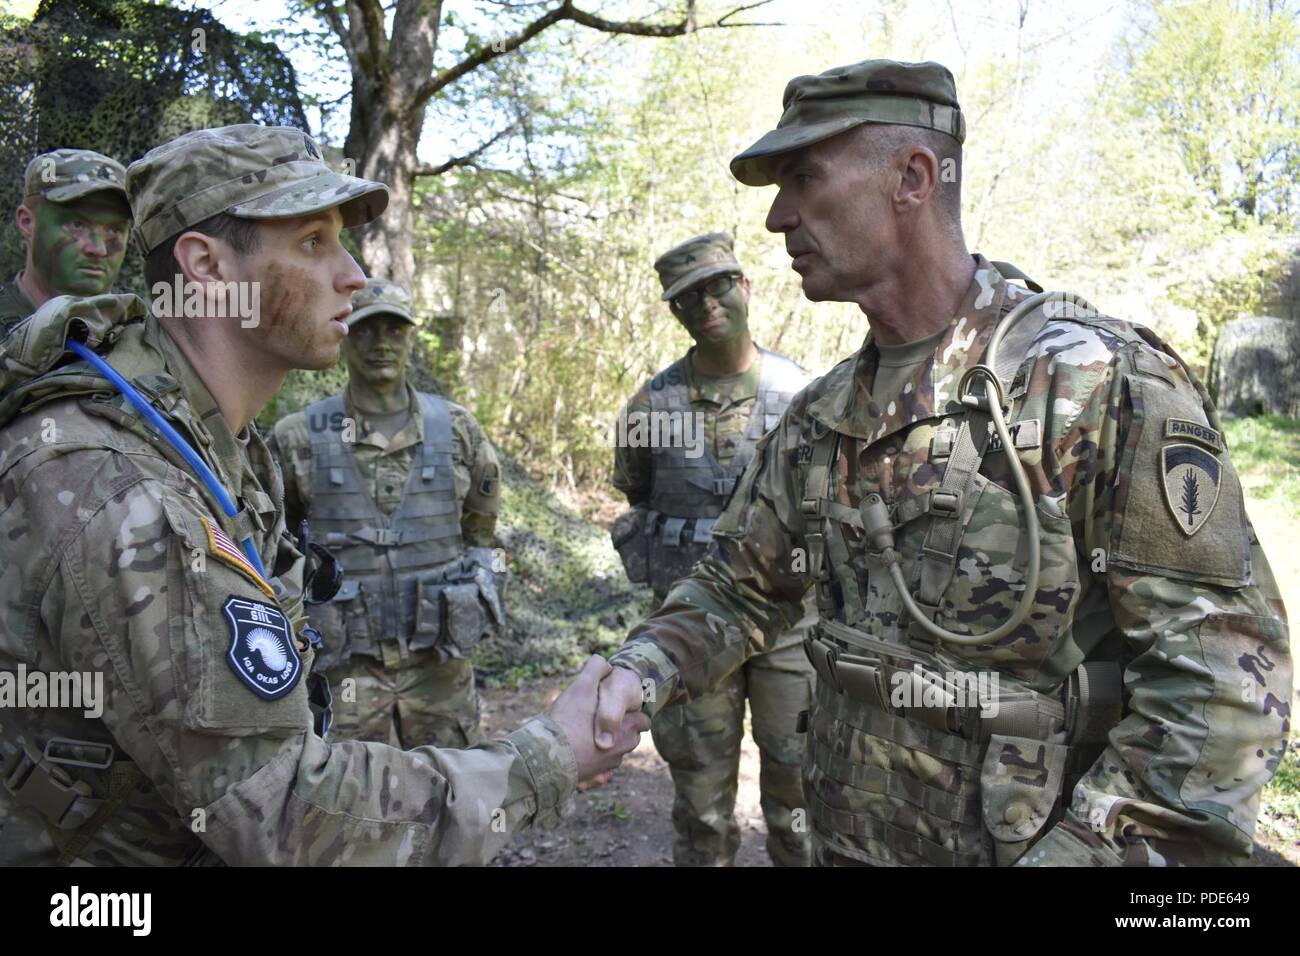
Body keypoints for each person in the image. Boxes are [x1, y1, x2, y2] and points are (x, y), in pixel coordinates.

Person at [594, 58, 1292, 866]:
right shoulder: (823, 414)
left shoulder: (1096, 384)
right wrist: (635, 673)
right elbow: (738, 588)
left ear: (913, 178)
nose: (777, 218)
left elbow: (1222, 691)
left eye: (803, 177)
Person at [0, 124, 644, 866]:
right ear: (206, 267)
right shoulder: (124, 488)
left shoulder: (220, 444)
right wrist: (548, 757)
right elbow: (286, 815)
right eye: (312, 243)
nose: (354, 276)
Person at [610, 232, 813, 866]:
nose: (707, 303)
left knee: (802, 798)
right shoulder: (651, 404)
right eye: (687, 297)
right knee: (701, 804)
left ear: (745, 287)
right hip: (693, 627)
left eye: (718, 285)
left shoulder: (806, 396)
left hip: (791, 627)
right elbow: (637, 495)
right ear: (675, 312)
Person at [269, 277, 503, 750]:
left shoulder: (457, 430)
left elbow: (480, 531)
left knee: (455, 792)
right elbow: (273, 548)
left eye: (395, 331)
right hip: (343, 666)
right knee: (348, 802)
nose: (381, 344)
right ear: (344, 334)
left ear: (410, 337)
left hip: (439, 663)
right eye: (365, 331)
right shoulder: (298, 438)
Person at [0, 148, 131, 334]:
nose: (98, 248)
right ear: (27, 222)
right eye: (77, 224)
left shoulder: (144, 339)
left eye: (113, 230)